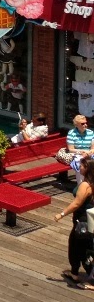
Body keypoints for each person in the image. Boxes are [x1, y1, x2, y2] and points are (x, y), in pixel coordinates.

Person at [55, 158, 94, 287]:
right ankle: (75, 273)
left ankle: (87, 278)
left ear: (87, 168)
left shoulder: (85, 185)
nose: (79, 167)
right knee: (85, 247)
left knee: (78, 247)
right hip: (90, 219)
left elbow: (76, 204)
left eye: (82, 165)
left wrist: (61, 214)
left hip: (82, 220)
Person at [68, 114, 94, 185]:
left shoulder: (90, 133)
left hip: (89, 152)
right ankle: (80, 185)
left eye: (86, 123)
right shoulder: (71, 133)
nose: (85, 125)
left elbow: (93, 148)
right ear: (76, 125)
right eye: (82, 124)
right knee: (80, 163)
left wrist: (88, 153)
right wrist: (81, 151)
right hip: (77, 153)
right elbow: (71, 149)